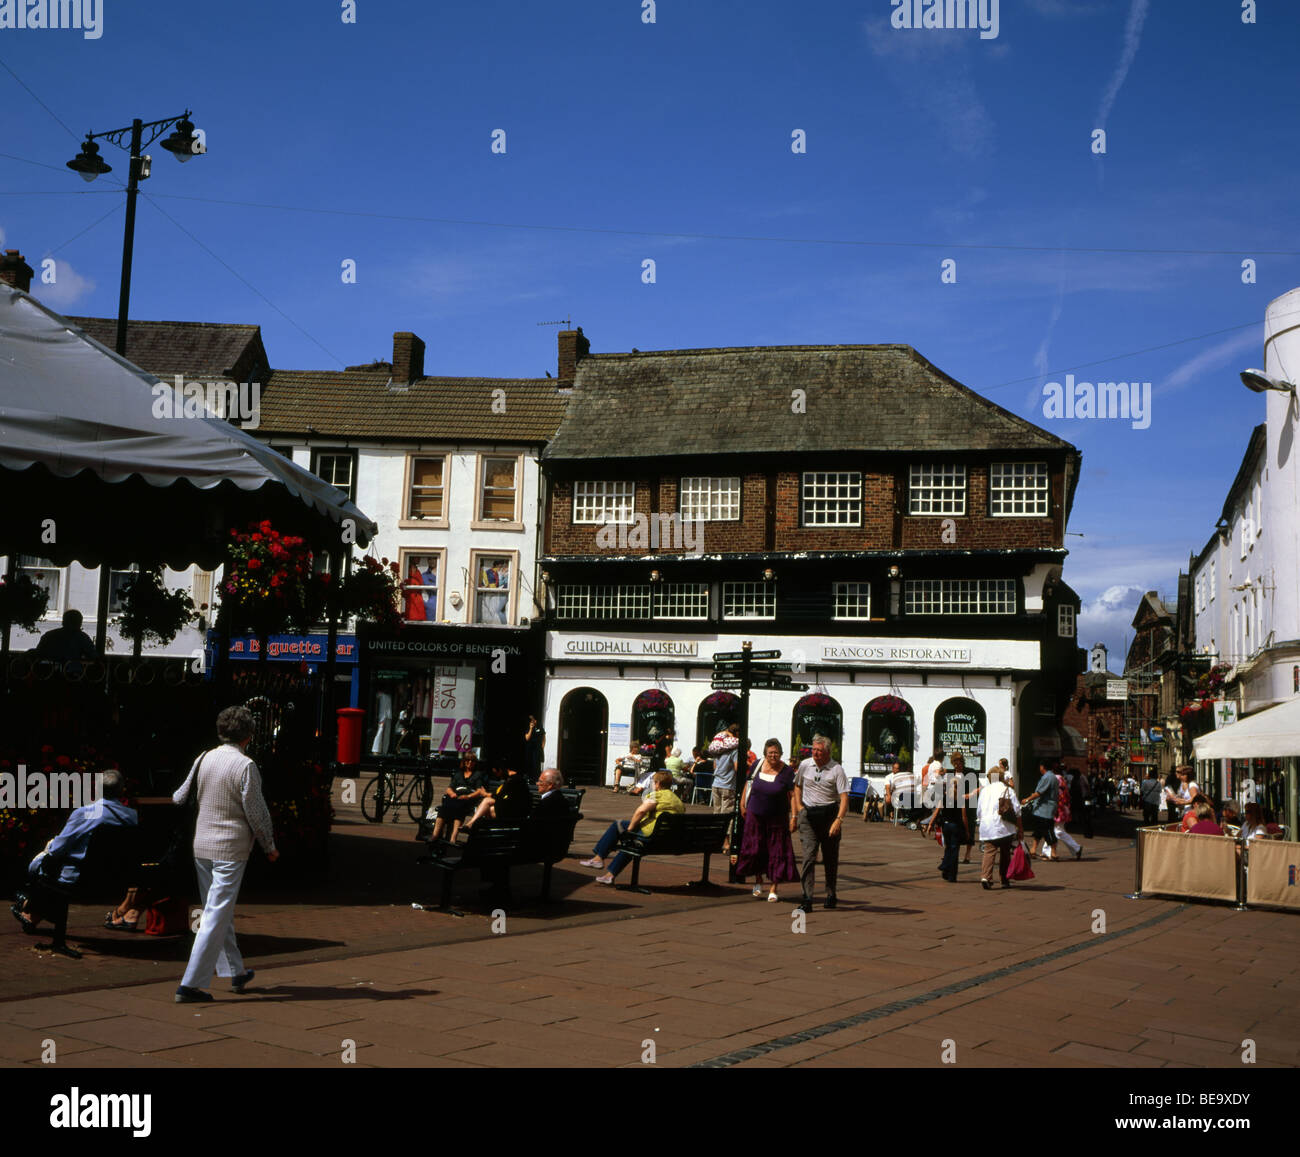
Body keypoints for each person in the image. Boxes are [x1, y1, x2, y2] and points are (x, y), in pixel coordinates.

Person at [172, 706, 278, 1003]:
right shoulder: (245, 766)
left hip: (202, 845)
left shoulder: (204, 757)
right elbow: (257, 813)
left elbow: (178, 796)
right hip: (230, 849)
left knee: (218, 910)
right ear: (249, 735)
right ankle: (190, 984)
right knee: (216, 914)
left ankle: (236, 970)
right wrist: (269, 846)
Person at [11, 769, 137, 935]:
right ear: (121, 790)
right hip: (114, 878)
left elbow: (57, 849)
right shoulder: (132, 816)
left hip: (80, 878)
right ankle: (32, 914)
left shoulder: (85, 813)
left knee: (46, 861)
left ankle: (29, 905)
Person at [582, 770, 685, 884]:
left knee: (619, 826)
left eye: (653, 782)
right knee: (630, 842)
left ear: (658, 784)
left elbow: (640, 812)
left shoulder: (657, 795)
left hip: (650, 835)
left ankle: (599, 857)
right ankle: (609, 875)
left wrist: (630, 829)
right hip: (668, 839)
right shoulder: (678, 800)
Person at [736, 739, 798, 902]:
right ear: (765, 754)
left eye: (776, 752)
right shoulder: (757, 765)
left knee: (776, 852)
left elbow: (792, 796)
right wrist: (743, 804)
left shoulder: (787, 772)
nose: (773, 755)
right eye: (770, 752)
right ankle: (758, 880)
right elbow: (748, 784)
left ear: (781, 754)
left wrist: (794, 816)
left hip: (777, 819)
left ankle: (773, 887)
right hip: (755, 815)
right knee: (755, 849)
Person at [794, 735, 848, 912]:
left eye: (819, 750)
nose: (816, 753)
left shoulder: (836, 770)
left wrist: (838, 820)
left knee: (830, 858)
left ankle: (831, 893)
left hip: (829, 815)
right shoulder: (804, 765)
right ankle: (807, 897)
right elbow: (797, 785)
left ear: (827, 752)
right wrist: (799, 808)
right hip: (809, 815)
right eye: (814, 750)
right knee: (809, 857)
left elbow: (844, 797)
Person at [975, 762, 1021, 889]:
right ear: (1001, 777)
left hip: (987, 827)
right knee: (1005, 853)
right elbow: (1017, 811)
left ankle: (986, 876)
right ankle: (1004, 879)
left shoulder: (984, 791)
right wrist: (1020, 829)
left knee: (989, 852)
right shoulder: (1008, 790)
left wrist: (980, 820)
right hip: (1004, 827)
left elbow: (979, 810)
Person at [430, 752, 489, 843]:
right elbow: (449, 788)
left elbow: (479, 791)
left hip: (468, 797)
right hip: (455, 795)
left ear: (475, 763)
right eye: (468, 760)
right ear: (464, 762)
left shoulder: (477, 775)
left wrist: (468, 796)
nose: (470, 762)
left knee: (459, 807)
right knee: (443, 808)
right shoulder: (458, 774)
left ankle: (453, 837)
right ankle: (435, 835)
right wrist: (452, 793)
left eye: (472, 760)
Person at [925, 764, 968, 882]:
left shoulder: (944, 797)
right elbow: (964, 817)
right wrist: (967, 830)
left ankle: (945, 870)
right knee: (955, 850)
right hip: (956, 826)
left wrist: (930, 824)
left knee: (948, 848)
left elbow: (937, 811)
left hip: (946, 826)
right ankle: (951, 874)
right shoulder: (960, 798)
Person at [463, 766, 533, 830]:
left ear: (500, 770)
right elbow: (499, 795)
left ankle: (472, 825)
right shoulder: (513, 779)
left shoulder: (514, 780)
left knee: (487, 807)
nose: (497, 776)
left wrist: (485, 794)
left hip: (516, 814)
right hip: (511, 809)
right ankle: (473, 825)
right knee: (487, 806)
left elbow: (499, 796)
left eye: (496, 773)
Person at [1042, 765, 1082, 861]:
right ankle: (1046, 852)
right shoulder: (1061, 779)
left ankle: (1076, 848)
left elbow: (1057, 796)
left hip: (1058, 808)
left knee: (1057, 831)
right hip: (1060, 808)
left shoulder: (1056, 779)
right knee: (1055, 830)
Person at [1021, 761, 1060, 861]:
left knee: (1048, 830)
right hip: (1043, 809)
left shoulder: (1048, 777)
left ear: (1043, 767)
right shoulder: (1052, 777)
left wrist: (1027, 799)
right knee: (1038, 830)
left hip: (1045, 809)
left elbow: (1039, 792)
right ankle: (1033, 850)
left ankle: (1054, 853)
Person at [708, 723, 741, 814]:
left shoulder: (718, 747)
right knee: (726, 815)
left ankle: (717, 828)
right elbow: (737, 767)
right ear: (737, 733)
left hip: (716, 784)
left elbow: (715, 766)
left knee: (716, 812)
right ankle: (726, 829)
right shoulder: (734, 749)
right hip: (728, 785)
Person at [884, 759, 917, 826]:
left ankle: (904, 817)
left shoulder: (902, 776)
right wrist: (889, 795)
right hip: (891, 793)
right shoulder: (889, 777)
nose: (897, 770)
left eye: (898, 768)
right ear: (892, 769)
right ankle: (895, 814)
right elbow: (888, 787)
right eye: (896, 768)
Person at [522, 715, 545, 783]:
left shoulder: (540, 727)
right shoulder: (528, 727)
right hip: (530, 748)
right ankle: (529, 778)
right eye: (531, 720)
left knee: (537, 764)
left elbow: (543, 737)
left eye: (533, 719)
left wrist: (542, 746)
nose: (533, 721)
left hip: (537, 748)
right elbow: (527, 738)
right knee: (529, 762)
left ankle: (536, 778)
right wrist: (531, 728)